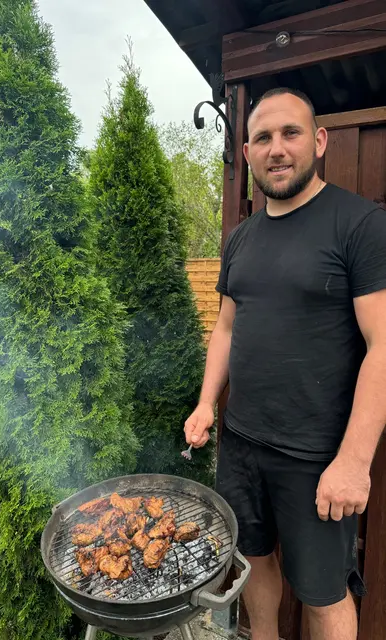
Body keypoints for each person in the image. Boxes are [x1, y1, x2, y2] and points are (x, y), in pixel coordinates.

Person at [184, 87, 386, 640]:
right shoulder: (241, 238)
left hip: (317, 455)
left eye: (290, 133)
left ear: (318, 141)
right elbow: (226, 329)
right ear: (247, 152)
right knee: (253, 561)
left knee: (324, 592)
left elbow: (383, 345)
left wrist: (354, 462)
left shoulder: (358, 224)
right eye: (263, 138)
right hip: (242, 443)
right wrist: (206, 404)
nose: (277, 148)